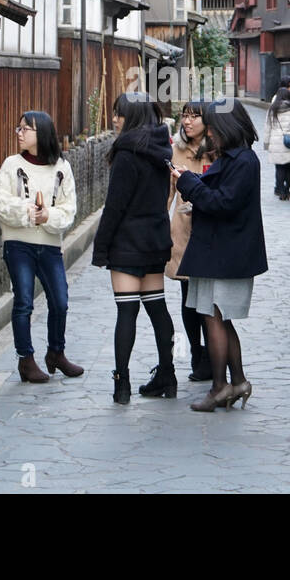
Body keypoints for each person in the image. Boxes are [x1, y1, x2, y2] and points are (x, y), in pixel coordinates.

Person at [171, 98, 268, 412]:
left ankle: (219, 387)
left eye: (212, 126)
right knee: (219, 320)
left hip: (226, 255)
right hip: (220, 253)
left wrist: (188, 183)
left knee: (214, 319)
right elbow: (218, 194)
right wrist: (192, 180)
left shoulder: (243, 161)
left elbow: (222, 203)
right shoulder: (237, 158)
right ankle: (237, 381)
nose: (208, 132)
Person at [92, 92, 176, 404]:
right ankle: (168, 375)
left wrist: (101, 249)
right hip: (155, 240)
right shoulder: (161, 149)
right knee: (157, 308)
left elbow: (114, 207)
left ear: (133, 117)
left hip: (127, 242)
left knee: (127, 311)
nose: (114, 120)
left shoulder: (127, 153)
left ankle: (121, 384)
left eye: (119, 114)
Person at [0, 111, 82, 383]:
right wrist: (31, 212)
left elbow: (69, 208)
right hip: (18, 244)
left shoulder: (61, 167)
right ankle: (26, 359)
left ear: (41, 133)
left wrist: (48, 217)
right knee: (23, 302)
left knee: (60, 301)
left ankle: (56, 352)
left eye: (25, 129)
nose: (19, 133)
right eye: (18, 128)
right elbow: (1, 203)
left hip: (49, 244)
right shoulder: (11, 164)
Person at [164, 99, 214, 383]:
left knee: (207, 297)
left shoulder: (216, 151)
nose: (188, 121)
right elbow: (167, 194)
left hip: (209, 230)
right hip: (183, 230)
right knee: (187, 297)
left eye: (195, 116)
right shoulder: (176, 151)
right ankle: (197, 353)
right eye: (185, 116)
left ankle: (213, 353)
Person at [265, 86, 290, 200]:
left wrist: (266, 143)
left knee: (280, 169)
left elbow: (268, 127)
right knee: (289, 169)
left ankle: (280, 192)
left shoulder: (272, 109)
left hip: (276, 142)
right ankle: (286, 190)